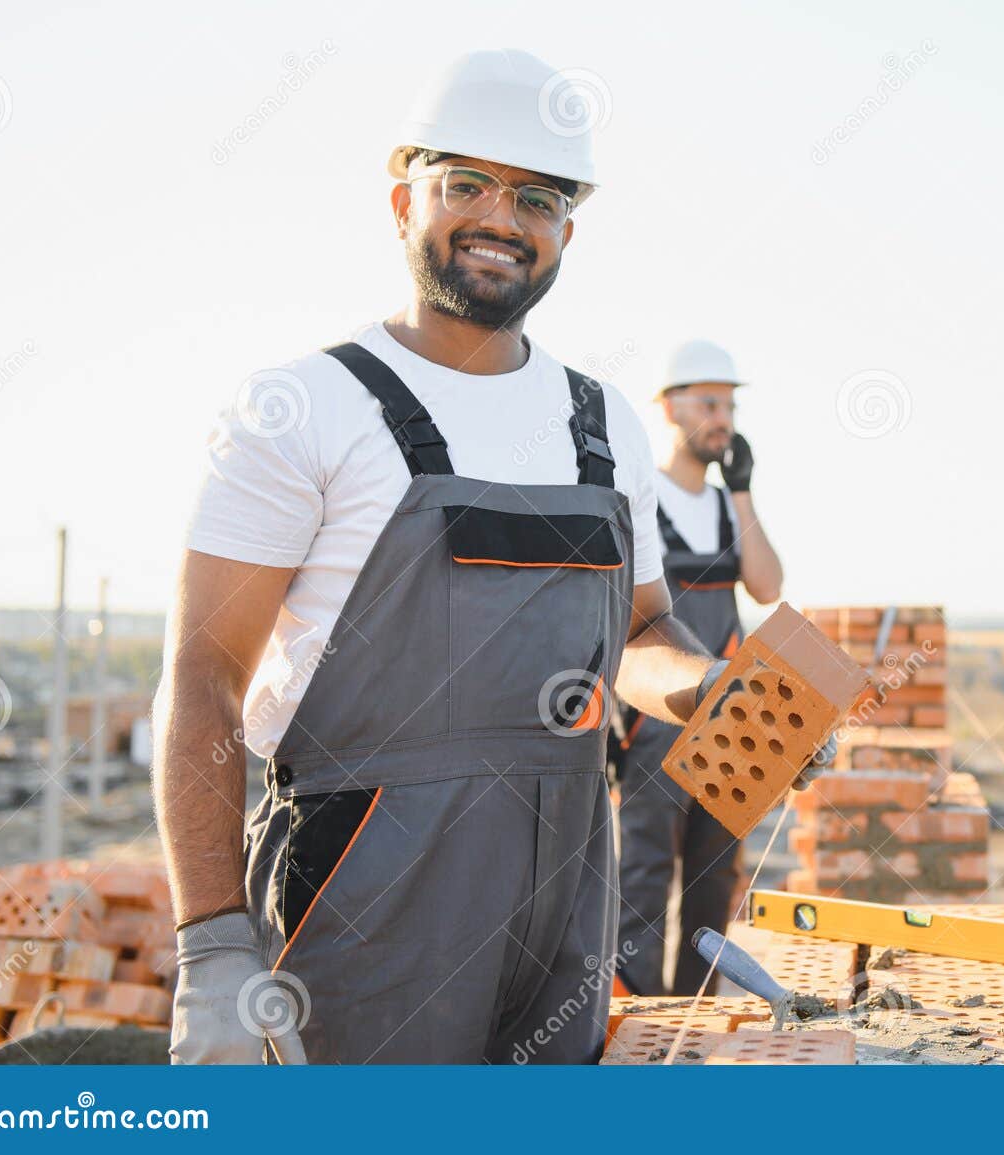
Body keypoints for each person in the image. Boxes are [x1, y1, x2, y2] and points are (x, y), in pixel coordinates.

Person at [153, 50, 826, 1065]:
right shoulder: (304, 408)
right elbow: (202, 680)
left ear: (567, 229)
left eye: (538, 197)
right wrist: (212, 948)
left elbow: (641, 631)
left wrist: (713, 693)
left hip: (564, 905)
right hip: (362, 906)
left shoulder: (603, 424)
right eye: (466, 184)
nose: (503, 219)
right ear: (400, 201)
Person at [615, 339, 786, 996]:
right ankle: (637, 1023)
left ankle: (697, 1018)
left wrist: (741, 491)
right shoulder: (641, 496)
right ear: (668, 407)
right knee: (646, 878)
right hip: (656, 720)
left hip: (732, 721)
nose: (723, 418)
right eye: (709, 403)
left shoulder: (724, 507)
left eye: (730, 405)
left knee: (715, 877)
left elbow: (768, 587)